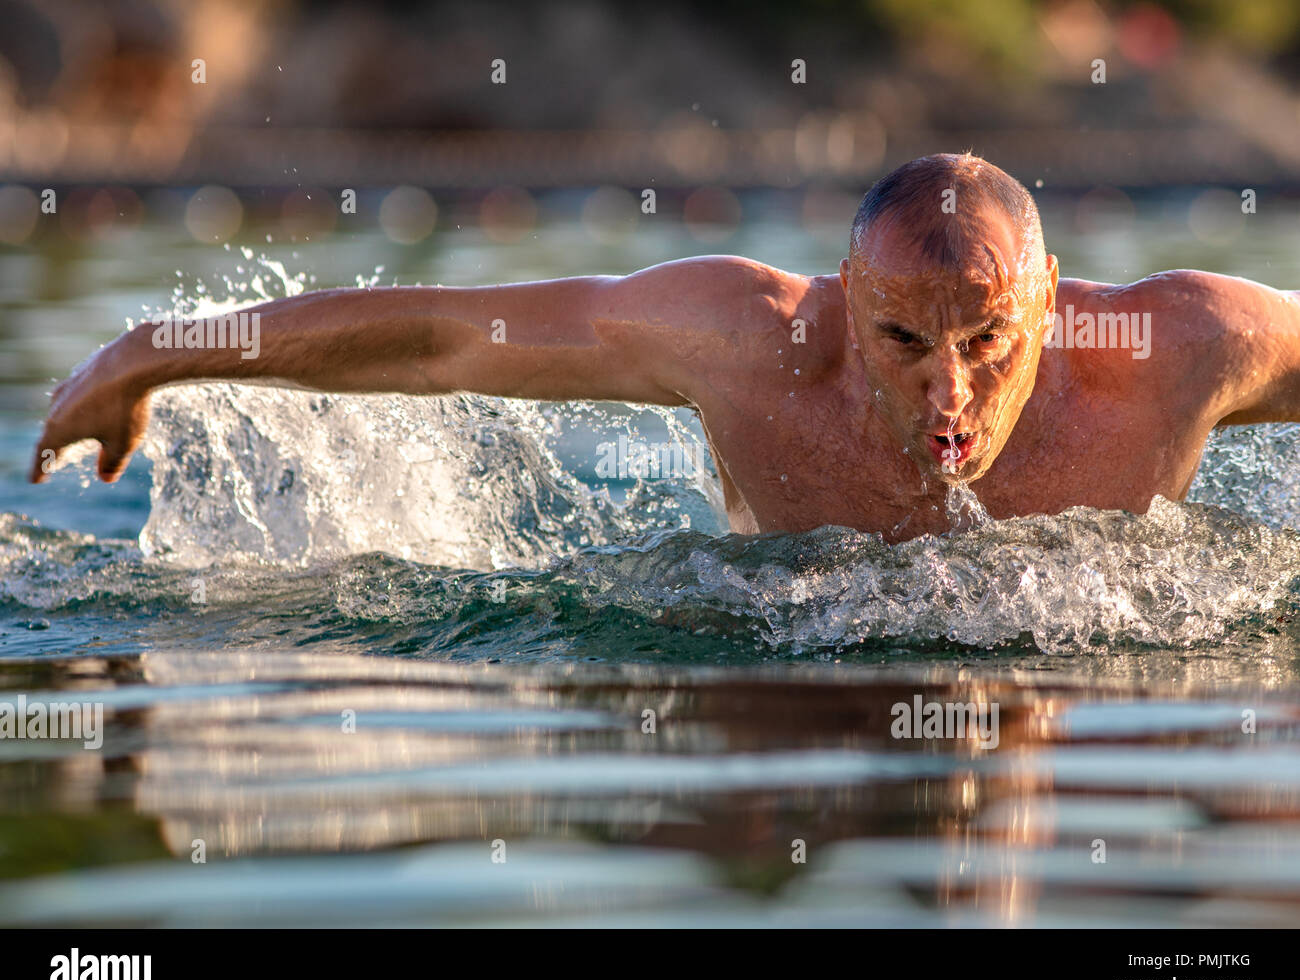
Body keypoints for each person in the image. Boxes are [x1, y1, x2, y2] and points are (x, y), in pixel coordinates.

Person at [30, 153, 1300, 543]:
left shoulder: (1179, 348)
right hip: (785, 699)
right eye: (902, 339)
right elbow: (435, 341)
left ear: (1054, 305)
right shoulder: (742, 339)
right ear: (843, 296)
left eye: (987, 342)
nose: (948, 389)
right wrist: (155, 346)